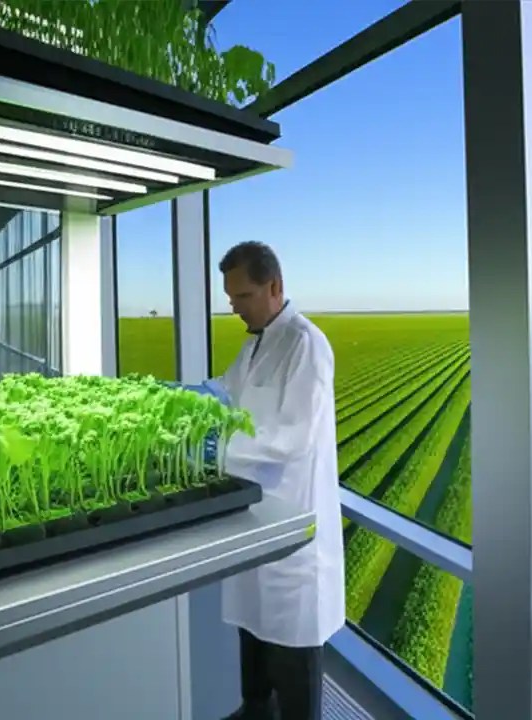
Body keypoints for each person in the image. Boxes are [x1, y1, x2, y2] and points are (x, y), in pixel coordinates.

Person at [183, 241, 344, 720]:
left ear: (275, 287)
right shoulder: (256, 340)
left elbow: (290, 438)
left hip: (294, 529)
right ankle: (254, 710)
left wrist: (212, 450)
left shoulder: (306, 344)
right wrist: (187, 398)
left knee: (293, 656)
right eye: (231, 299)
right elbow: (225, 392)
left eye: (244, 296)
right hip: (255, 520)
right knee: (253, 642)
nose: (235, 308)